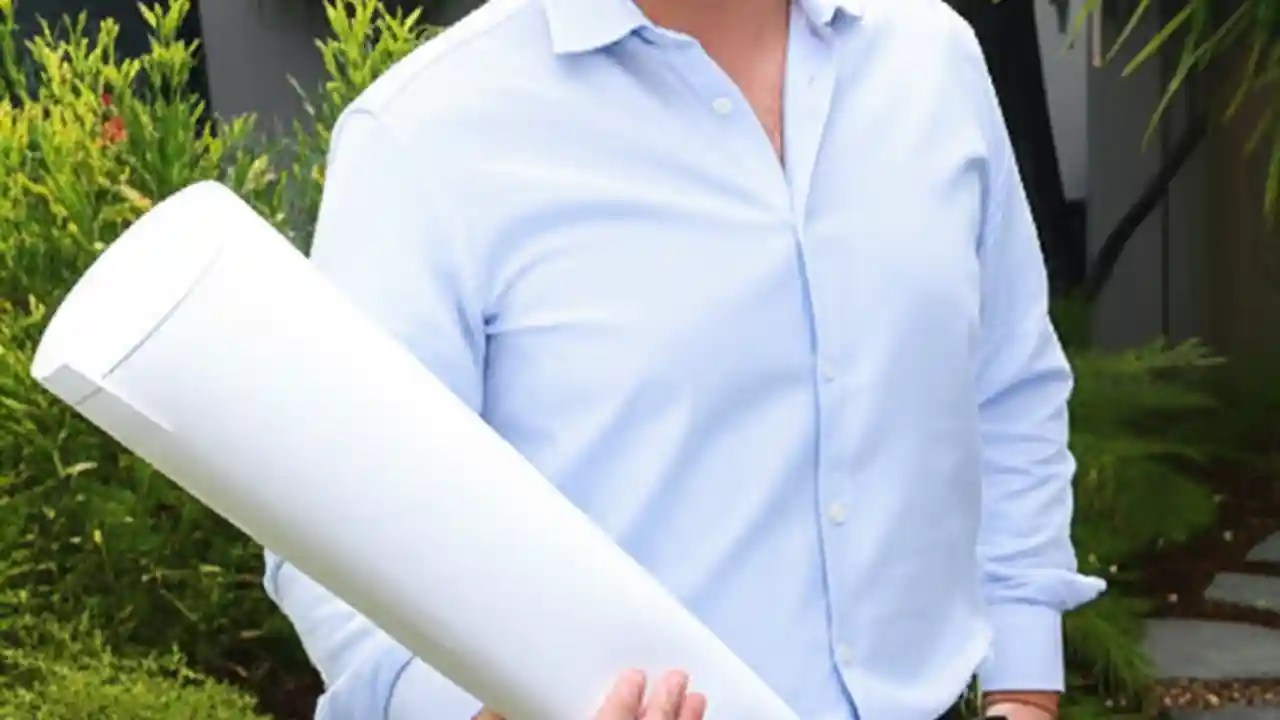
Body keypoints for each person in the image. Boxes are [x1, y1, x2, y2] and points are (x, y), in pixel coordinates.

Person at [262, 0, 1107, 717]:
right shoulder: (427, 134)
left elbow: (1009, 386)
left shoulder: (932, 60)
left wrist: (1024, 686)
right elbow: (328, 520)